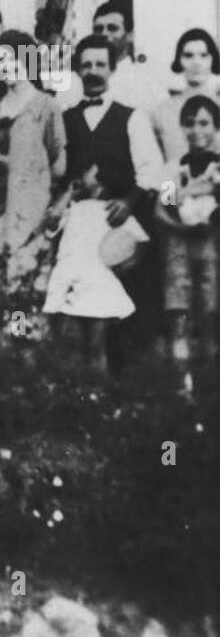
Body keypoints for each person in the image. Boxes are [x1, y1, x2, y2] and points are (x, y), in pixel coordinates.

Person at [62, 33, 165, 370]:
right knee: (73, 319)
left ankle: (113, 403)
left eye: (100, 65)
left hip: (114, 226)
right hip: (77, 227)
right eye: (86, 65)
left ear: (111, 70)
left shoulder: (131, 117)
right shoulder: (66, 118)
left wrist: (129, 201)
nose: (93, 71)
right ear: (77, 69)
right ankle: (75, 405)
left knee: (108, 321)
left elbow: (152, 172)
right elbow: (60, 175)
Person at [0, 31, 67, 297]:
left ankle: (20, 337)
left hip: (28, 212)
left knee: (22, 287)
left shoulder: (46, 106)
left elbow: (58, 162)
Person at [43, 165, 148, 372]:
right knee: (70, 342)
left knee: (95, 346)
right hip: (71, 281)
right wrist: (69, 192)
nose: (82, 175)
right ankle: (72, 393)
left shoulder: (115, 210)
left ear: (100, 180)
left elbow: (142, 242)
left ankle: (97, 394)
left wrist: (125, 264)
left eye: (87, 172)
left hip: (99, 284)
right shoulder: (74, 207)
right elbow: (52, 222)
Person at [153, 94, 220, 398]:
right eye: (190, 123)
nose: (197, 130)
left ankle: (210, 392)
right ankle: (183, 391)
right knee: (179, 316)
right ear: (182, 127)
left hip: (212, 251)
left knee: (210, 315)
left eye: (204, 123)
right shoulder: (172, 168)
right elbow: (162, 207)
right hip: (178, 250)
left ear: (216, 127)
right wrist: (182, 224)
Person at [151, 29, 220, 164]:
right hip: (175, 183)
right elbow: (161, 170)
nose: (196, 62)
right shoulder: (163, 111)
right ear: (179, 60)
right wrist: (169, 185)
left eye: (203, 55)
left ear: (213, 59)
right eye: (188, 55)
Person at [96, 1, 169, 113]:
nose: (104, 34)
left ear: (130, 36)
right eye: (98, 29)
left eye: (112, 28)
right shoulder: (82, 79)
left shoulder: (149, 83)